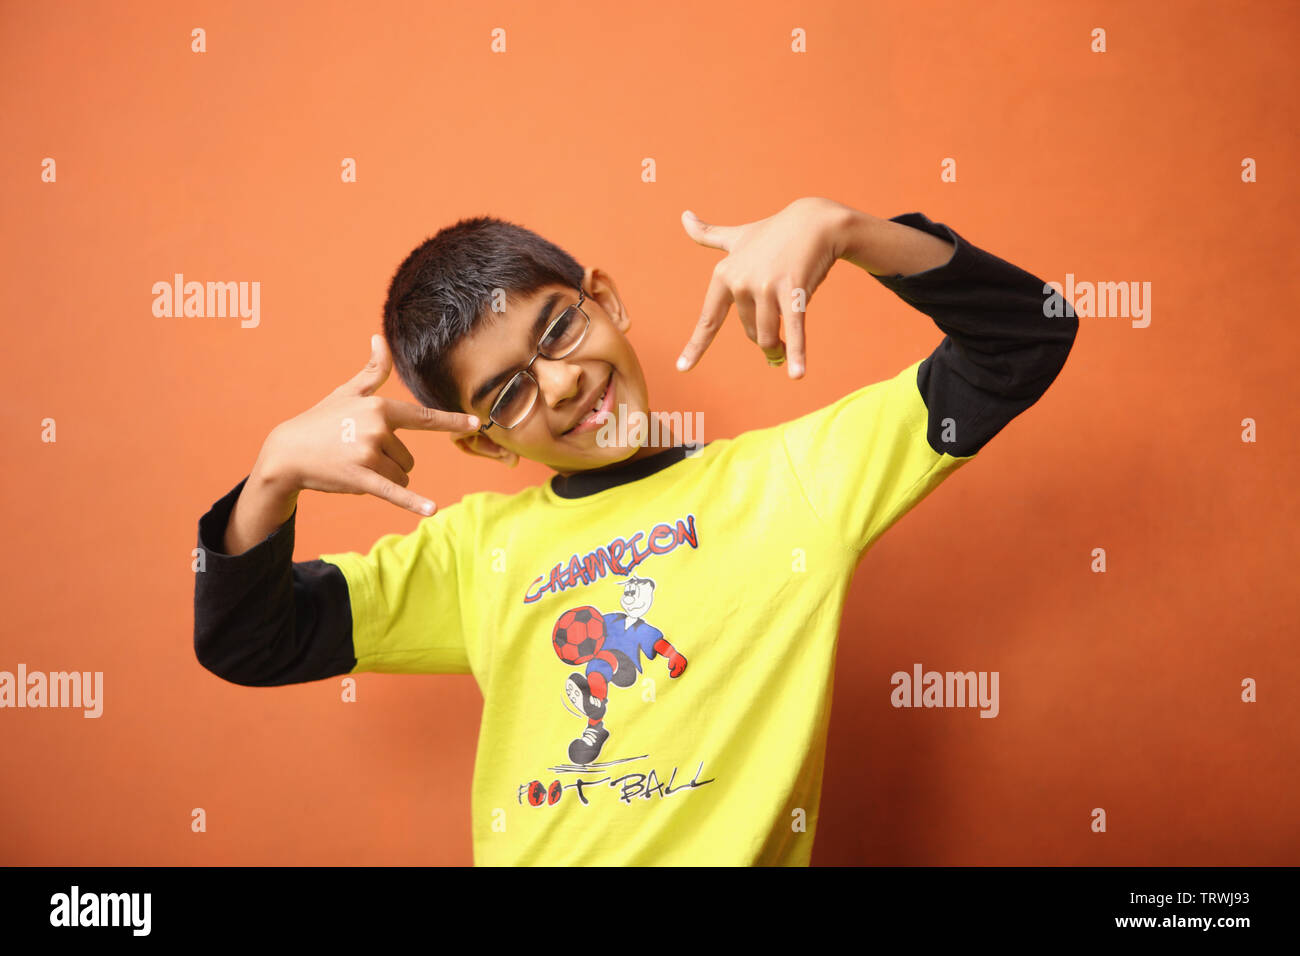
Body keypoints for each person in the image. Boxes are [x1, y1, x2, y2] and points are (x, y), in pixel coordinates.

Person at [192, 196, 1078, 865]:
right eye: (507, 394)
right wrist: (271, 476)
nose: (564, 384)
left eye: (560, 330)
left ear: (605, 300)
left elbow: (1022, 338)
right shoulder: (477, 556)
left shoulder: (794, 484)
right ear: (485, 442)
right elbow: (251, 640)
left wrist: (846, 229)